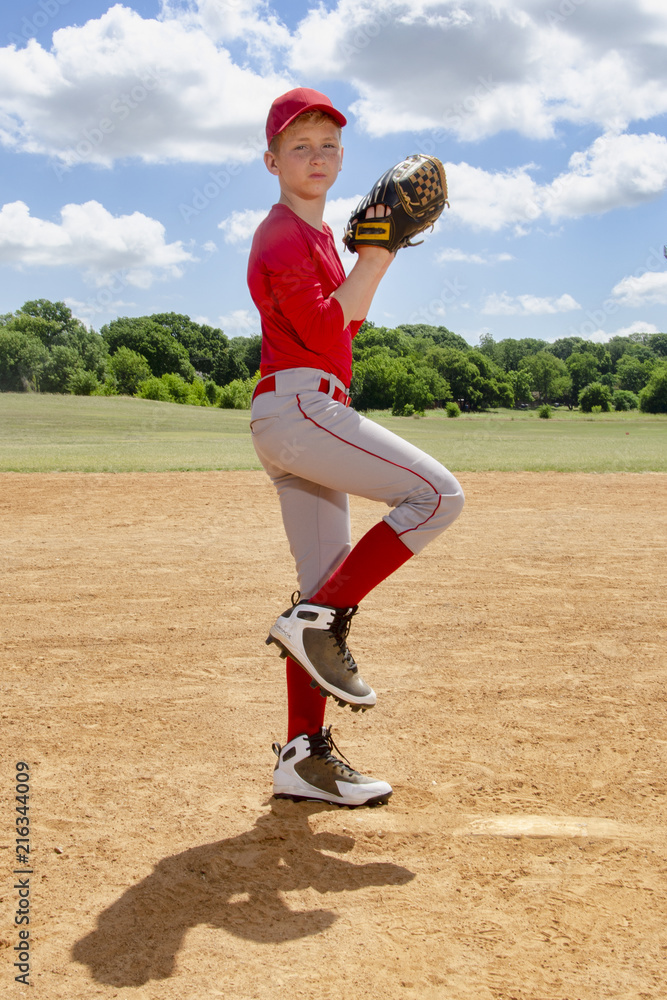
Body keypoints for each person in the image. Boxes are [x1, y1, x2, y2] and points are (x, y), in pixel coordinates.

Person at [247, 87, 464, 808]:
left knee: (321, 582)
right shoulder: (280, 233)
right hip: (302, 406)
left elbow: (344, 329)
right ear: (272, 159)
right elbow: (319, 336)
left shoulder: (313, 240)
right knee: (435, 495)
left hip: (300, 412)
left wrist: (380, 252)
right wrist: (375, 253)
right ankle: (318, 623)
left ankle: (301, 757)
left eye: (328, 145)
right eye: (299, 144)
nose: (316, 155)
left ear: (343, 162)